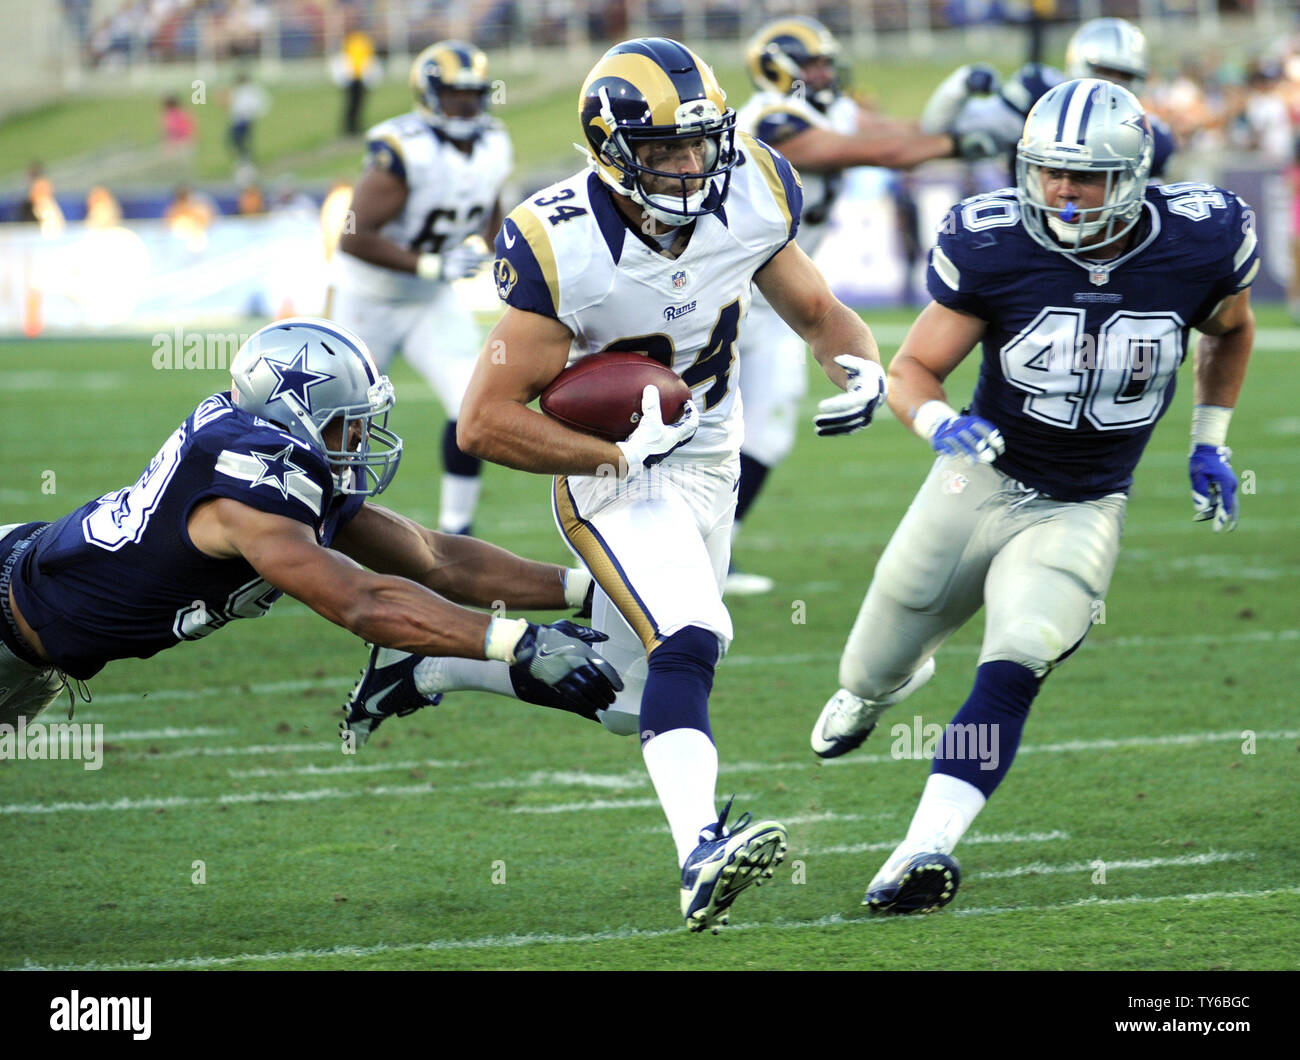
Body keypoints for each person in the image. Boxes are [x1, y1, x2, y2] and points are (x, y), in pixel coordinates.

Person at [449, 37, 889, 932]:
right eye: (664, 151)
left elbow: (816, 310)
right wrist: (615, 457)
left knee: (629, 691)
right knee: (692, 633)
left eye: (699, 144)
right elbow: (483, 420)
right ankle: (700, 851)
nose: (690, 167)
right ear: (611, 151)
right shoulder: (561, 245)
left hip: (709, 453)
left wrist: (863, 368)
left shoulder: (753, 190)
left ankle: (436, 662)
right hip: (606, 466)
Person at [810, 79, 1257, 914]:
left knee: (1018, 657)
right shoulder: (995, 244)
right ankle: (877, 693)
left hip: (1083, 504)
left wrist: (1209, 440)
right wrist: (938, 422)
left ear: (1132, 177)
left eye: (1083, 176)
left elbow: (1230, 329)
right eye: (1048, 170)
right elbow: (912, 369)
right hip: (975, 480)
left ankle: (922, 847)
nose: (1061, 190)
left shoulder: (1200, 240)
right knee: (869, 664)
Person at [0, 318, 620, 739]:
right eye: (345, 424)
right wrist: (519, 643)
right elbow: (361, 601)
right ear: (291, 413)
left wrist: (592, 589)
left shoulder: (273, 453)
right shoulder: (255, 486)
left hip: (33, 637)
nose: (358, 440)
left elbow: (433, 558)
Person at [728, 16, 999, 595]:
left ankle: (716, 551)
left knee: (768, 433)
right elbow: (890, 149)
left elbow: (909, 130)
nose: (825, 73)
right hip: (723, 293)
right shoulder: (769, 119)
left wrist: (971, 104)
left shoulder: (830, 111)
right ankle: (660, 553)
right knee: (697, 426)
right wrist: (960, 141)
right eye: (814, 64)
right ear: (780, 70)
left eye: (828, 62)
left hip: (781, 297)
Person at [328, 40, 511, 537]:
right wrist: (432, 264)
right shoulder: (404, 148)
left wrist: (509, 259)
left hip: (431, 303)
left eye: (473, 93)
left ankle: (457, 531)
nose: (467, 104)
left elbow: (492, 218)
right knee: (340, 421)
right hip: (366, 300)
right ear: (429, 93)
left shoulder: (494, 143)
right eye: (455, 94)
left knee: (472, 407)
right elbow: (350, 235)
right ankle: (325, 523)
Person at [925, 17, 1178, 181]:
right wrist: (960, 85)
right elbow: (936, 127)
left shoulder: (1152, 134)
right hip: (1030, 233)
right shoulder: (1041, 97)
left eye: (1124, 74)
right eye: (1104, 71)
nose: (1111, 82)